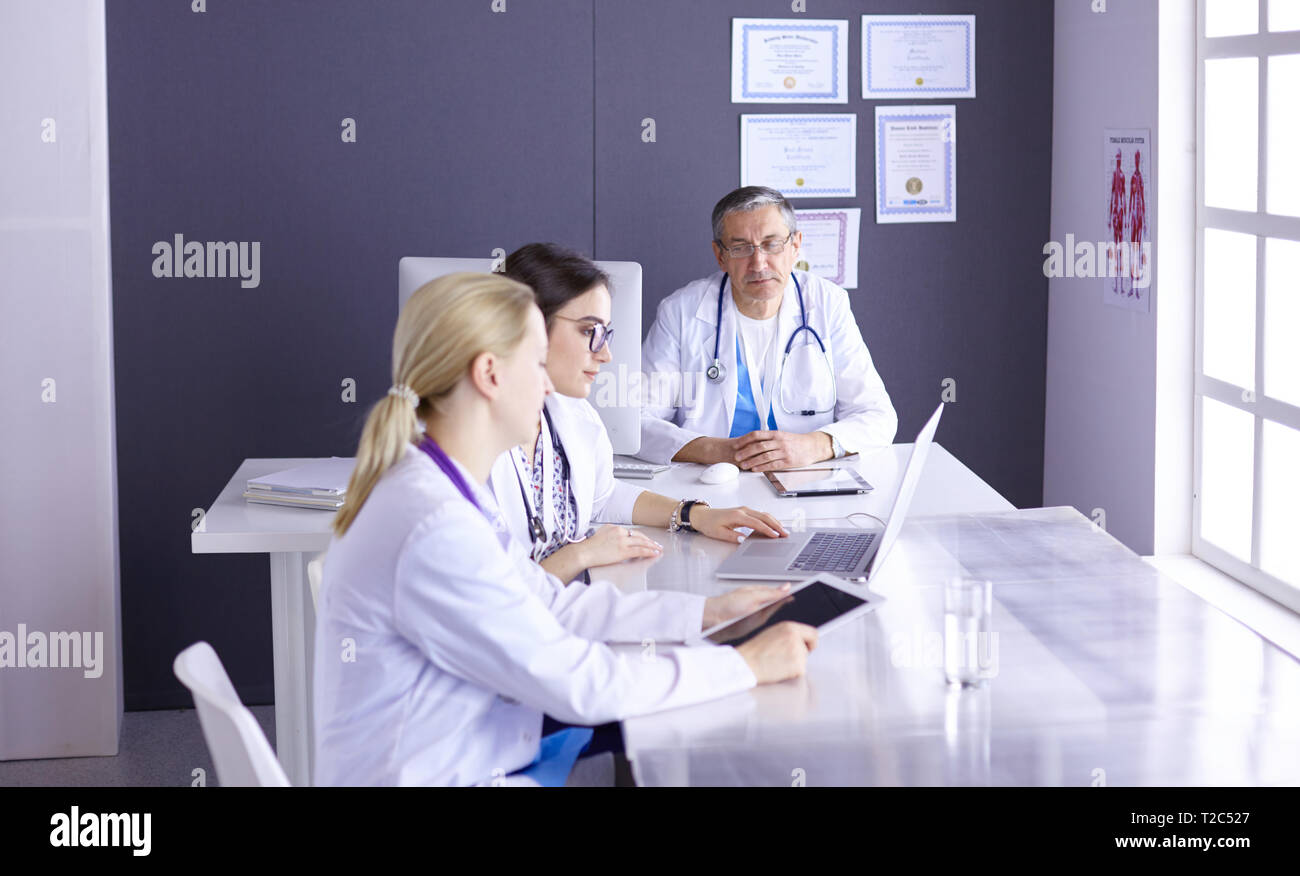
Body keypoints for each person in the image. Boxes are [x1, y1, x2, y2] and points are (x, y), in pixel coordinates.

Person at [313, 272, 816, 786]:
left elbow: (550, 604)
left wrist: (704, 614)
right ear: (490, 374)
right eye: (536, 363)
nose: (549, 384)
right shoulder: (434, 524)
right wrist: (746, 666)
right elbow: (583, 685)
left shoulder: (446, 488)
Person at [489, 243, 789, 586]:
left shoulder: (570, 414)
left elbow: (600, 496)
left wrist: (694, 514)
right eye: (589, 332)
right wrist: (581, 554)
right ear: (526, 327)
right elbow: (490, 601)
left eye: (605, 333)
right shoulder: (471, 448)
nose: (605, 354)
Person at [640, 186, 898, 470]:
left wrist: (814, 445)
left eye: (772, 244)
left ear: (796, 245)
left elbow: (877, 416)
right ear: (720, 255)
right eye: (740, 248)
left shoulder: (827, 303)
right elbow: (637, 421)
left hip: (806, 478)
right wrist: (717, 450)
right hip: (710, 484)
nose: (758, 263)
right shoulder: (681, 312)